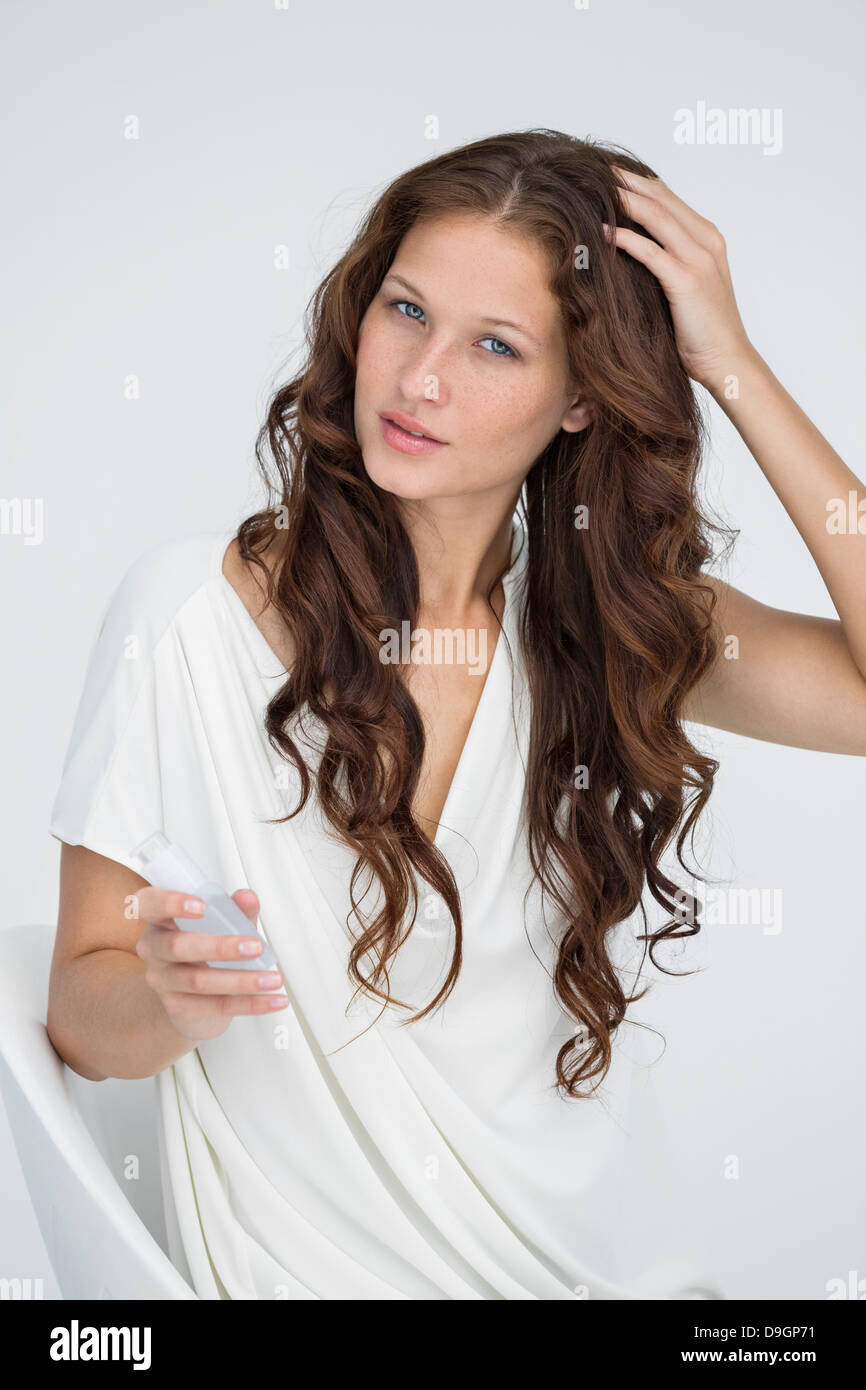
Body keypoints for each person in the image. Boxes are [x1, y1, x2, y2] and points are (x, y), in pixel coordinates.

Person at [47, 130, 866, 1300]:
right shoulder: (185, 618)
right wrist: (172, 999)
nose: (419, 377)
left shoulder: (606, 622)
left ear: (584, 396)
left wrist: (728, 359)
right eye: (404, 310)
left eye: (493, 344)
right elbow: (78, 1008)